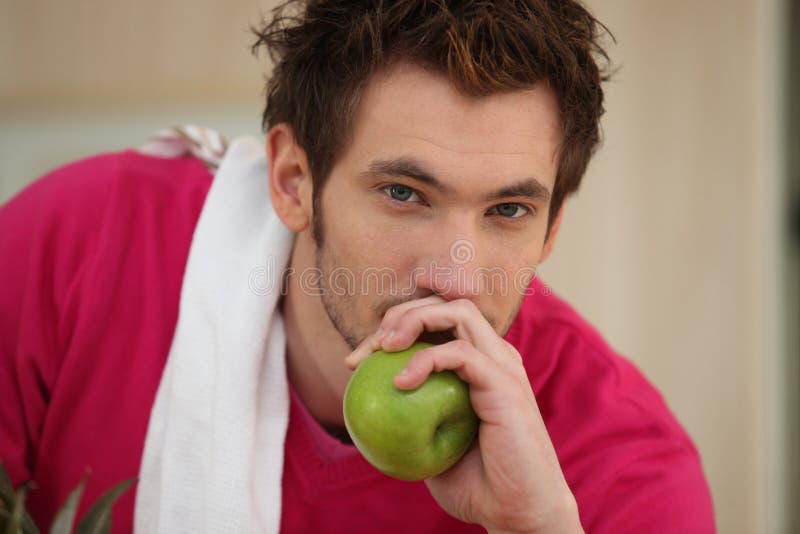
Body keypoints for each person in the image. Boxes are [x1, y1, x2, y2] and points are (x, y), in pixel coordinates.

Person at [0, 1, 716, 532]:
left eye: (508, 211)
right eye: (404, 194)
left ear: (554, 226)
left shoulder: (624, 465)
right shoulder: (72, 250)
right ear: (292, 181)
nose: (455, 279)